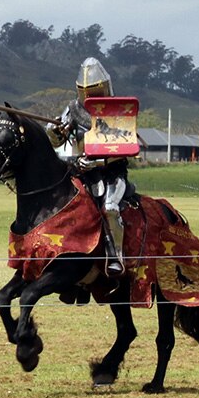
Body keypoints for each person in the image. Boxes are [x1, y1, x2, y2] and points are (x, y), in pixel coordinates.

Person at [47, 58, 133, 276]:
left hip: (111, 172)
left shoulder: (118, 110)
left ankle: (116, 257)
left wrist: (98, 161)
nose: (89, 96)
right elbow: (58, 140)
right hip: (80, 171)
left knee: (110, 208)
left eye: (93, 91)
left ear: (104, 88)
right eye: (85, 91)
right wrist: (54, 131)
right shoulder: (73, 109)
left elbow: (124, 148)